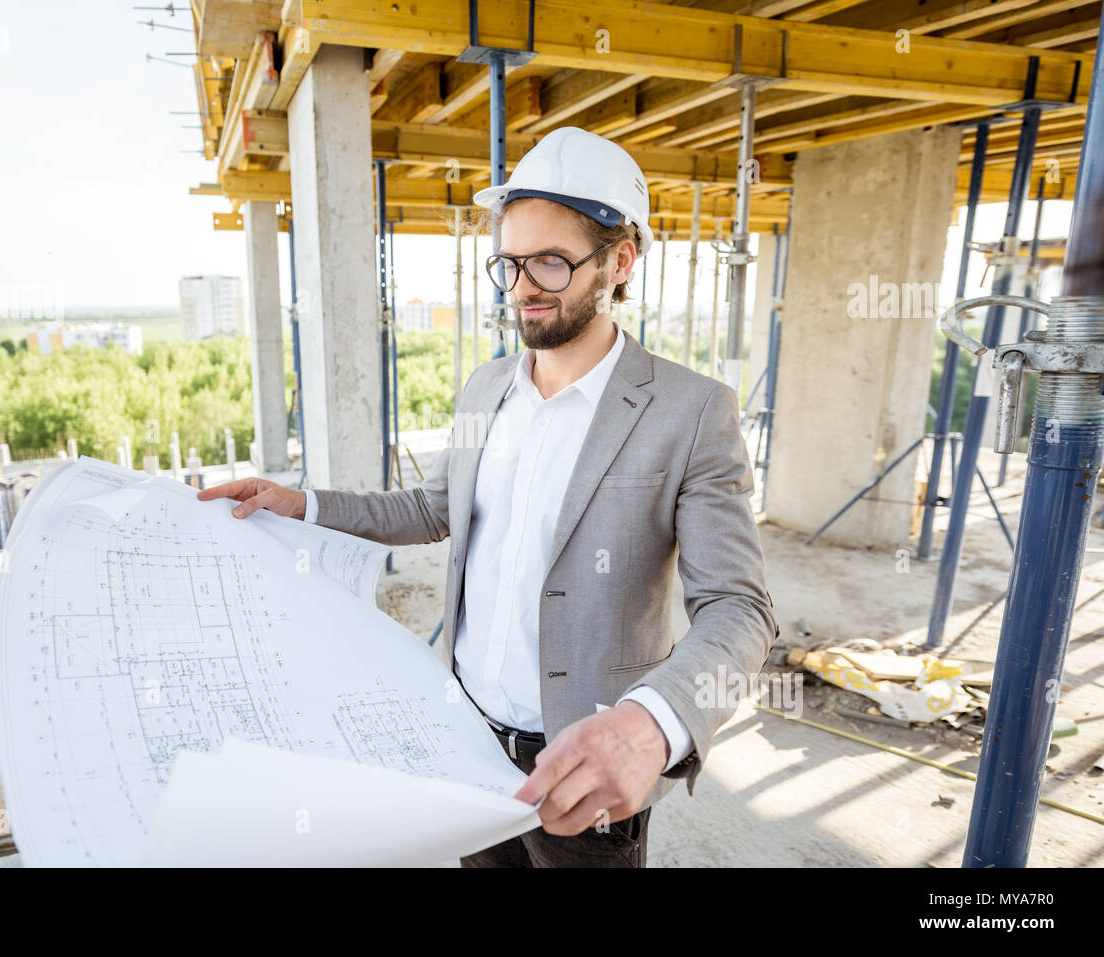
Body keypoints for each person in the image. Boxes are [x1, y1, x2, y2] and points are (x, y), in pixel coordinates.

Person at [197, 126, 778, 868]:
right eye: (509, 262)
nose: (523, 287)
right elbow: (434, 509)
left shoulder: (691, 412)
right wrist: (303, 505)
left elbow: (739, 607)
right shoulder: (486, 386)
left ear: (619, 260)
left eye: (550, 262)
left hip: (582, 762)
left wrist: (650, 723)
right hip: (463, 741)